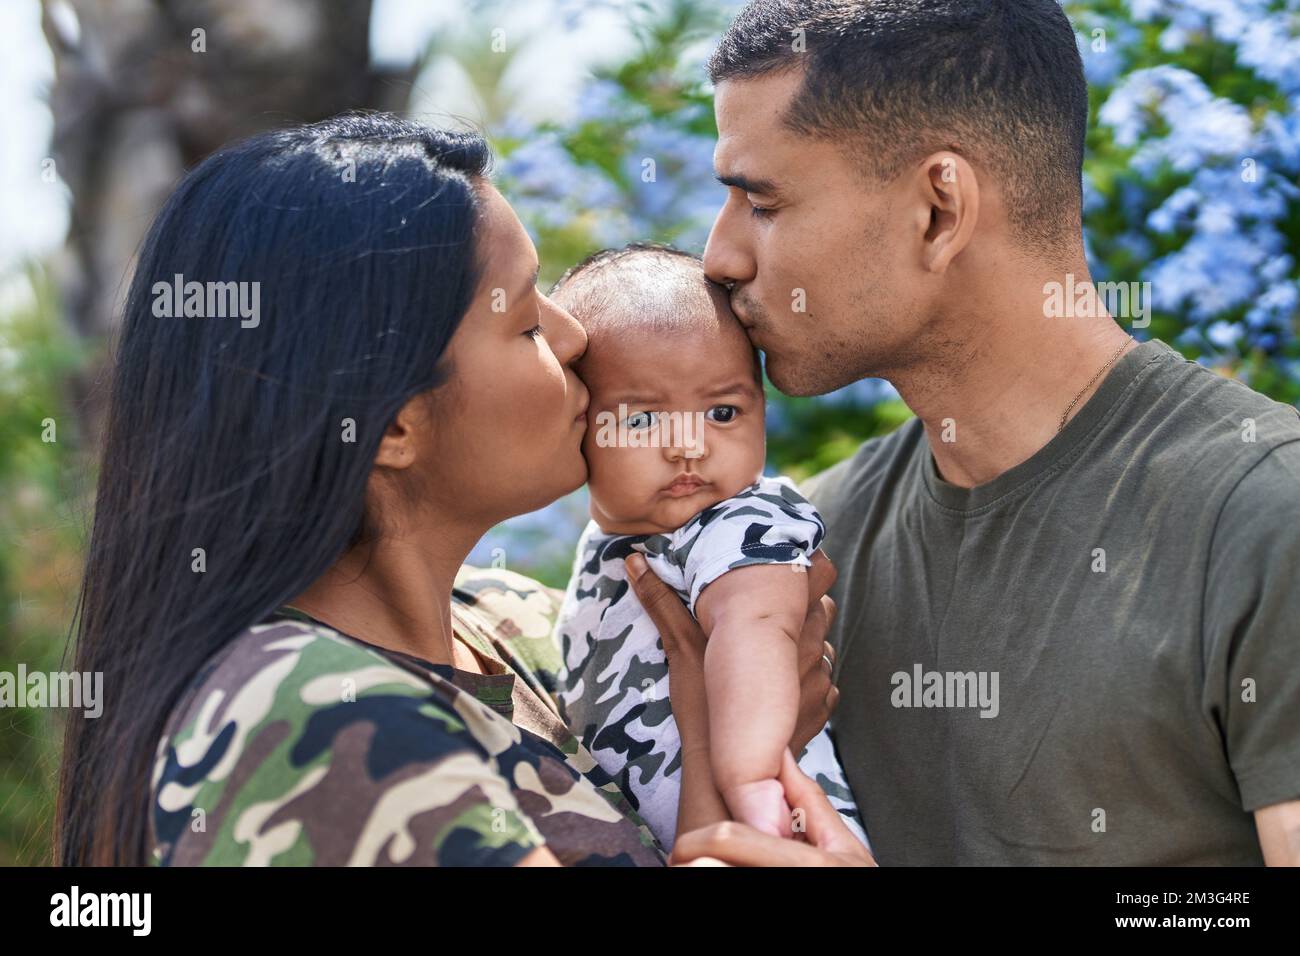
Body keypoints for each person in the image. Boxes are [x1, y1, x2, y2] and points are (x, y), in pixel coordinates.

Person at [56, 113, 873, 867]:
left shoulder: (526, 625)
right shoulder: (316, 717)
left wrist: (707, 745)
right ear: (391, 427)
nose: (575, 333)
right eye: (524, 322)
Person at [698, 0, 1300, 864]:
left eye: (761, 200)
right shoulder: (807, 560)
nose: (719, 257)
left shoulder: (1267, 519)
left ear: (940, 210)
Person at [547, 244, 866, 847]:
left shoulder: (740, 519)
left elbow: (759, 624)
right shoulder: (615, 542)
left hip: (779, 835)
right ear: (574, 420)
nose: (688, 445)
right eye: (642, 421)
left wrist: (750, 774)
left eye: (722, 411)